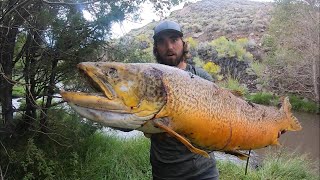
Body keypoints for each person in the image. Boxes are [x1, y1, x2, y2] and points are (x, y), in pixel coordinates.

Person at [148, 20, 219, 180]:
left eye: (174, 40)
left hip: (204, 172)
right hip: (164, 173)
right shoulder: (150, 78)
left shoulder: (202, 77)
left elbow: (221, 116)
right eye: (162, 42)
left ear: (183, 43)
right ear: (156, 48)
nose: (169, 47)